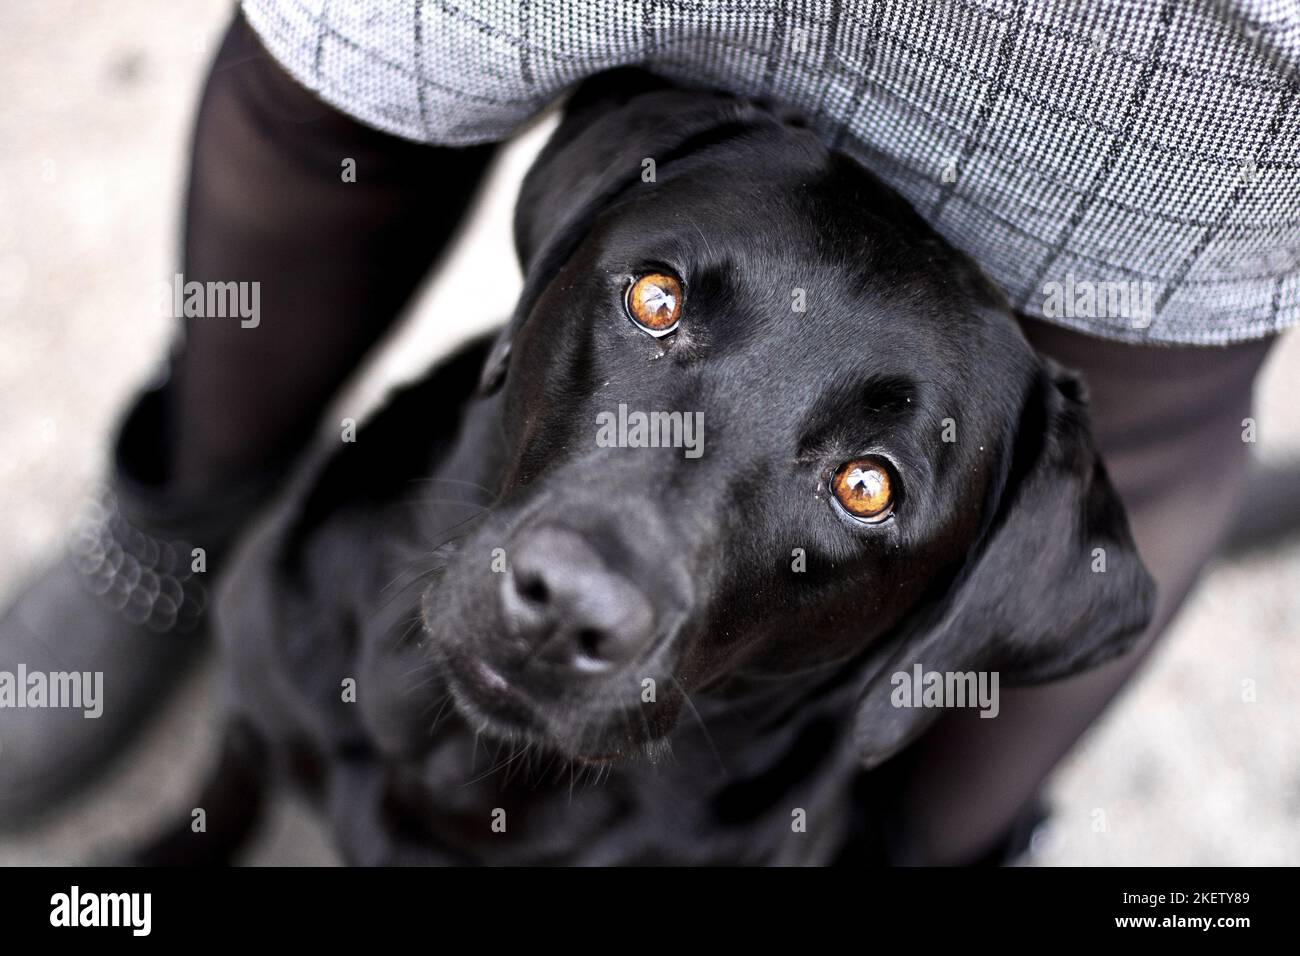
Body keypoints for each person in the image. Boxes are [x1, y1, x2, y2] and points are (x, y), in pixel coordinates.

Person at [0, 2, 1291, 864]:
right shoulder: (319, 574)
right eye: (660, 302)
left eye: (861, 485)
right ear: (565, 262)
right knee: (346, 74)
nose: (583, 592)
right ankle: (176, 550)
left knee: (1166, 388)